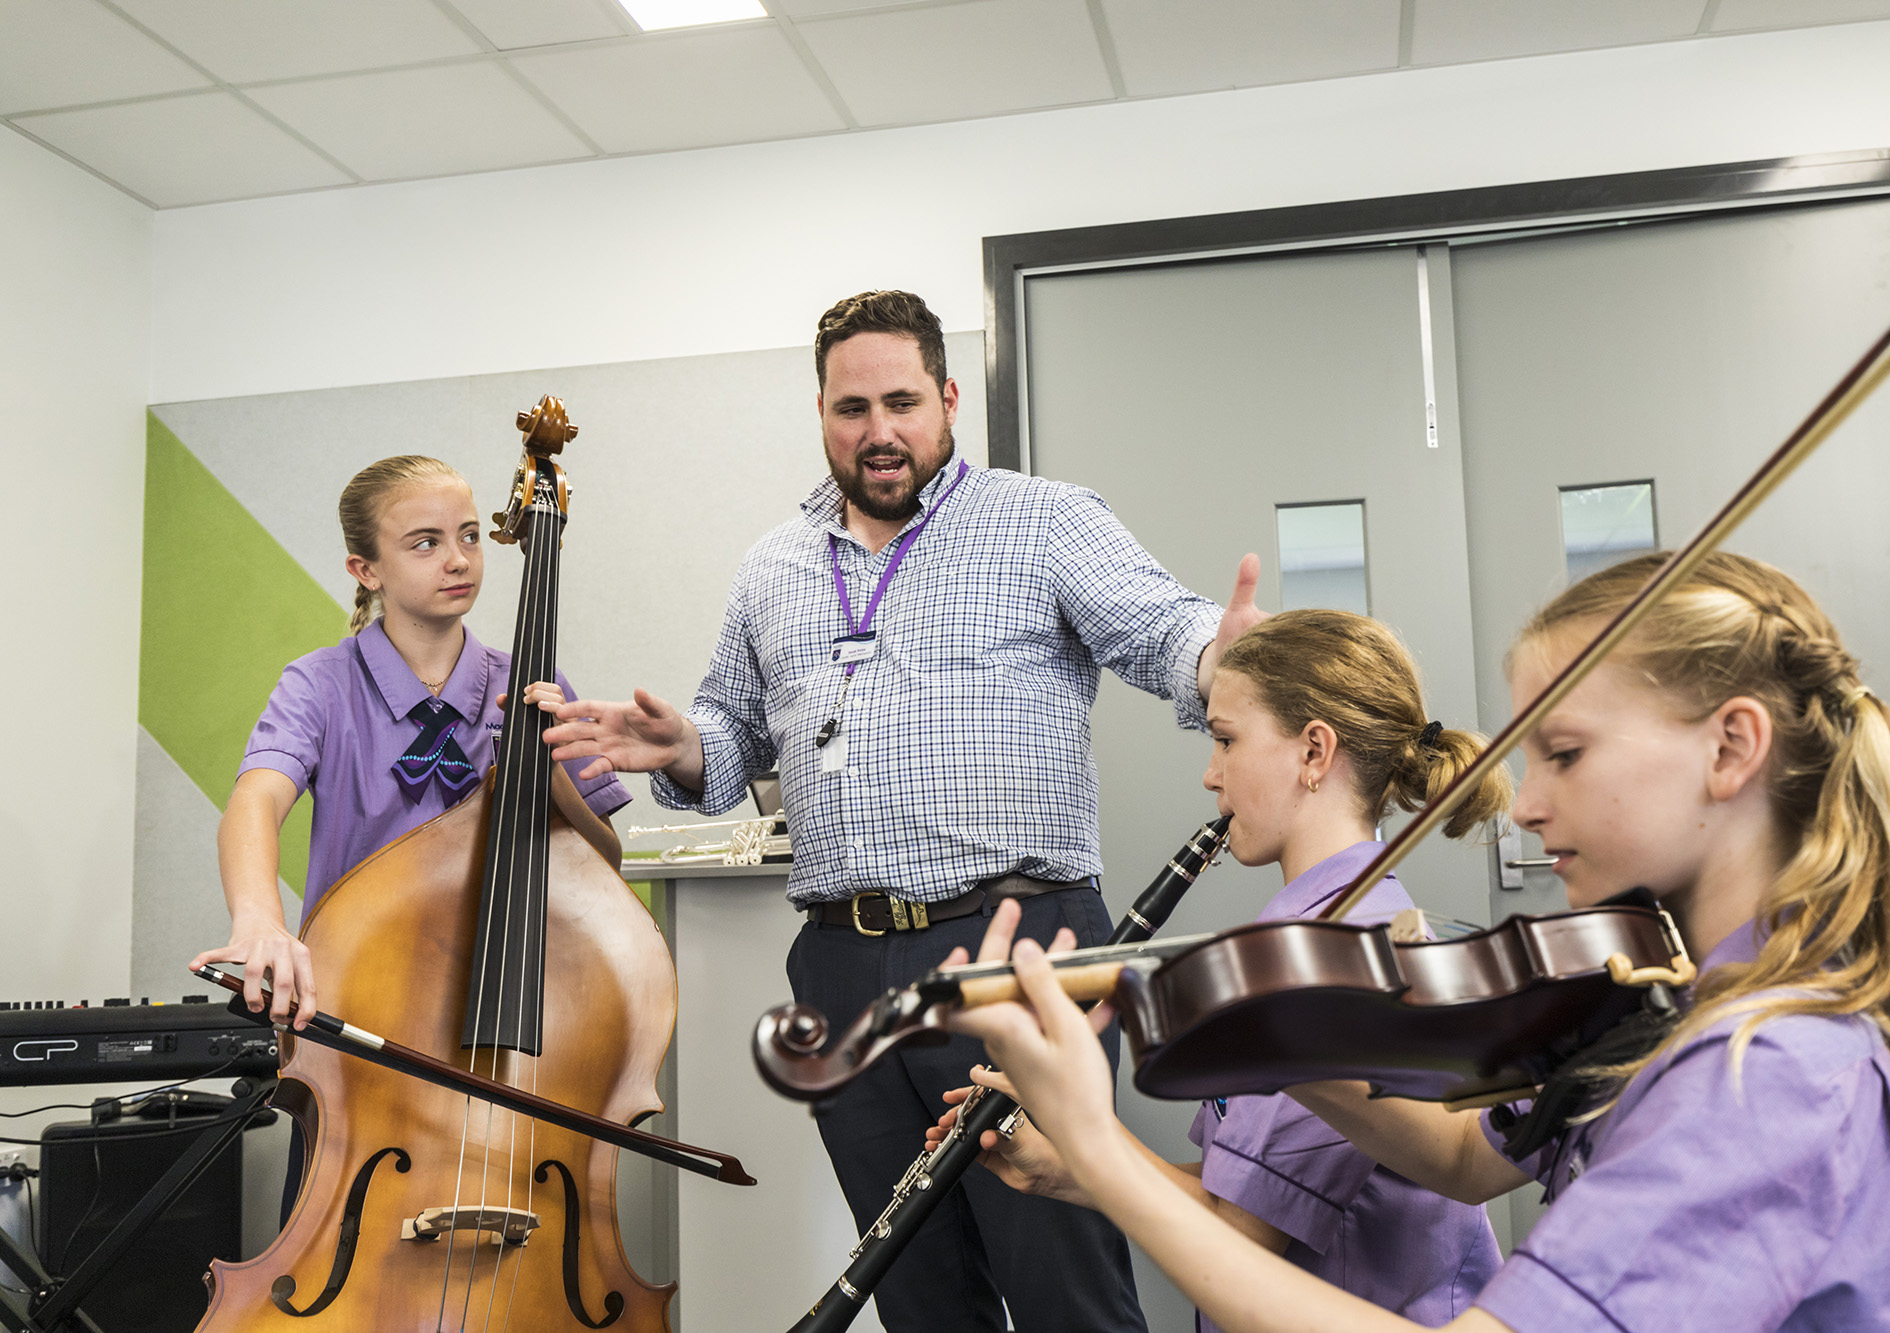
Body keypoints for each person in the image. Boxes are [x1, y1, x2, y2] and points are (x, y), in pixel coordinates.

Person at [950, 551, 1890, 1332]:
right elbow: (1458, 1155)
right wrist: (1261, 1032)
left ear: (1729, 747)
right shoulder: (1657, 996)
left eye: (1565, 753)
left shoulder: (1763, 1072)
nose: (1526, 804)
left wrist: (1100, 1144)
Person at [538, 290, 1266, 1332]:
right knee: (917, 1293)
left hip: (1014, 949)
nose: (877, 431)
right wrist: (686, 747)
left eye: (900, 401)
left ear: (947, 398)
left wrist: (1217, 654)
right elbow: (732, 728)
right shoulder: (773, 567)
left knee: (1061, 1279)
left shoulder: (1041, 519)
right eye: (849, 408)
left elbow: (1162, 631)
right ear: (820, 413)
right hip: (841, 968)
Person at [928, 609, 1509, 1327]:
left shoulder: (1329, 956)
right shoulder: (1325, 928)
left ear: (1314, 752)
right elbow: (1250, 1196)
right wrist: (1065, 1167)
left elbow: (1239, 1236)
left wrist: (1086, 1135)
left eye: (1226, 739)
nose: (1210, 774)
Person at [188, 454, 629, 1033]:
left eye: (470, 536)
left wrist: (551, 781)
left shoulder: (533, 685)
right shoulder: (320, 685)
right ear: (366, 570)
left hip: (508, 1003)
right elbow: (255, 802)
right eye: (425, 543)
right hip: (357, 998)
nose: (457, 559)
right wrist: (258, 919)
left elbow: (606, 862)